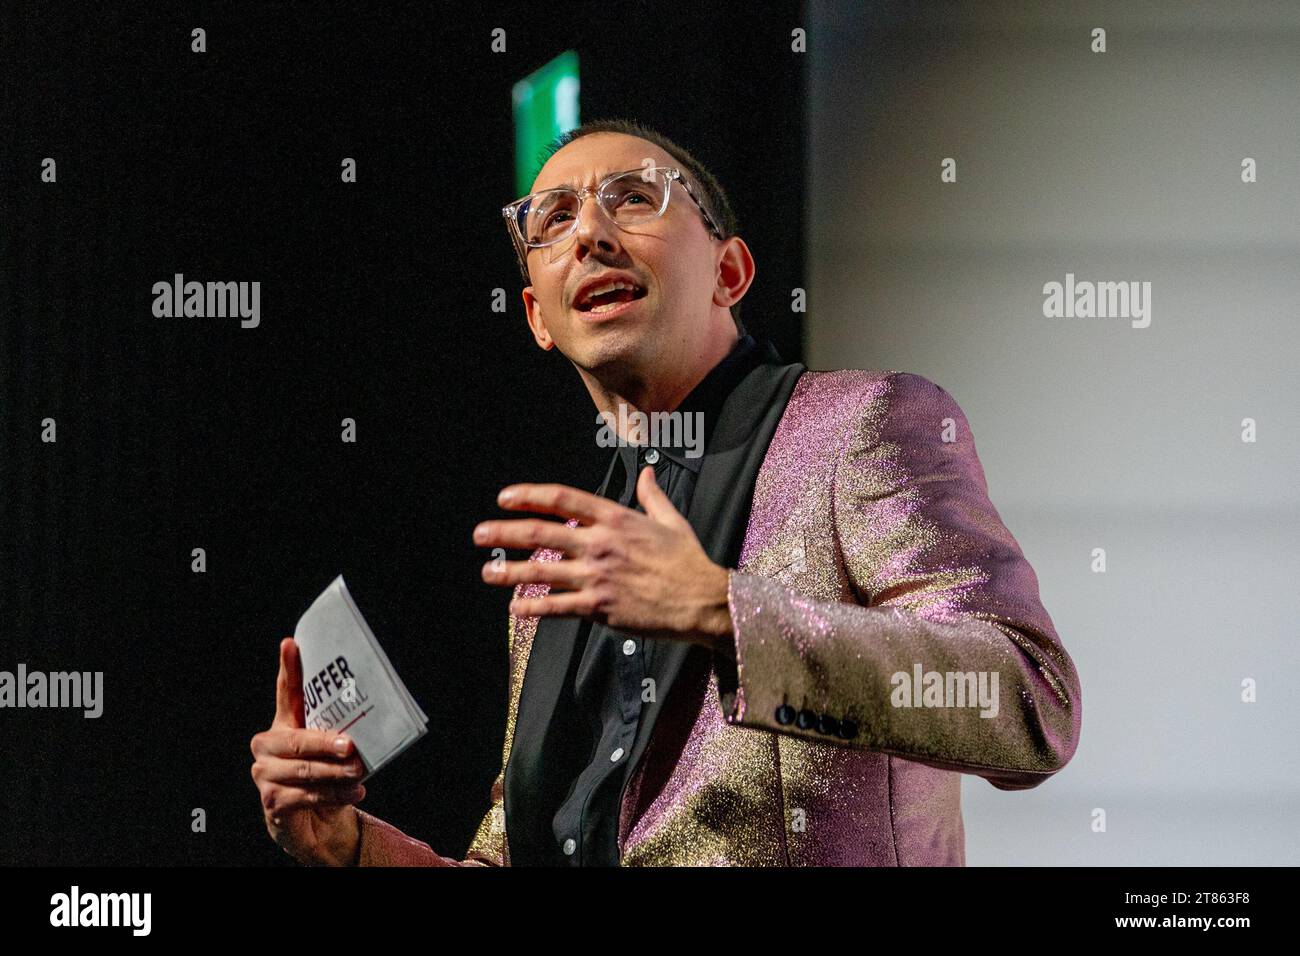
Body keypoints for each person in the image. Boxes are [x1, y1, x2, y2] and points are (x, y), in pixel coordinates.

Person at [249, 118, 1082, 866]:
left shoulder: (858, 427)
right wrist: (353, 846)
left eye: (633, 198)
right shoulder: (556, 569)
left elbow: (1028, 706)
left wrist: (725, 612)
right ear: (539, 317)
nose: (590, 235)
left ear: (730, 269)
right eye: (554, 221)